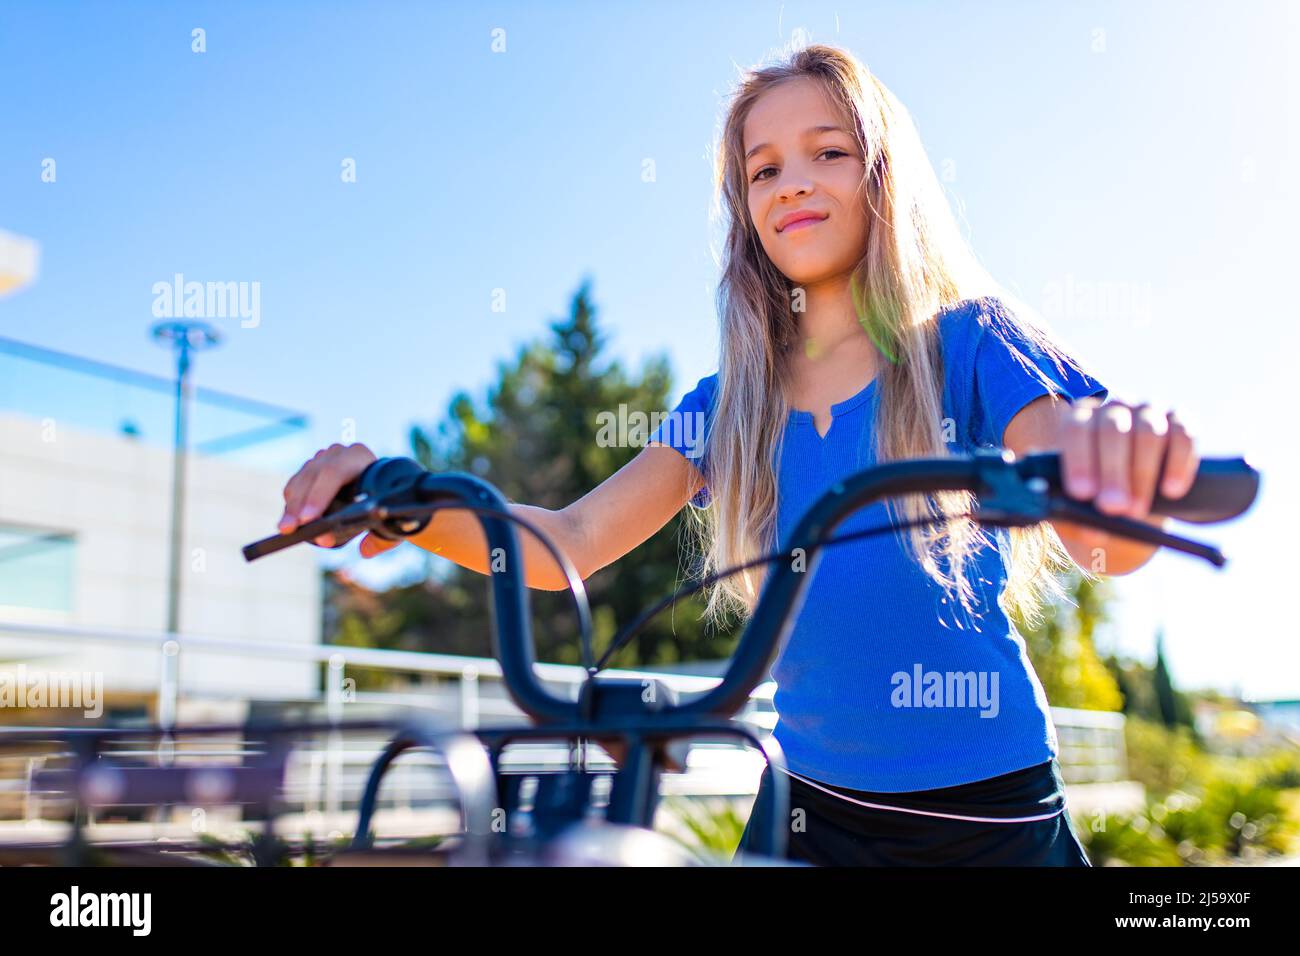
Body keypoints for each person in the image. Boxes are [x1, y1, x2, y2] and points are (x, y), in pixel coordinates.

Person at [275, 44, 1199, 866]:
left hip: (985, 815)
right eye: (763, 170)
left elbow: (1102, 539)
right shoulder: (729, 406)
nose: (792, 182)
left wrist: (1114, 463)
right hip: (808, 807)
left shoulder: (968, 344)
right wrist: (403, 497)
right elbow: (571, 540)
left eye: (828, 152)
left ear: (887, 176)